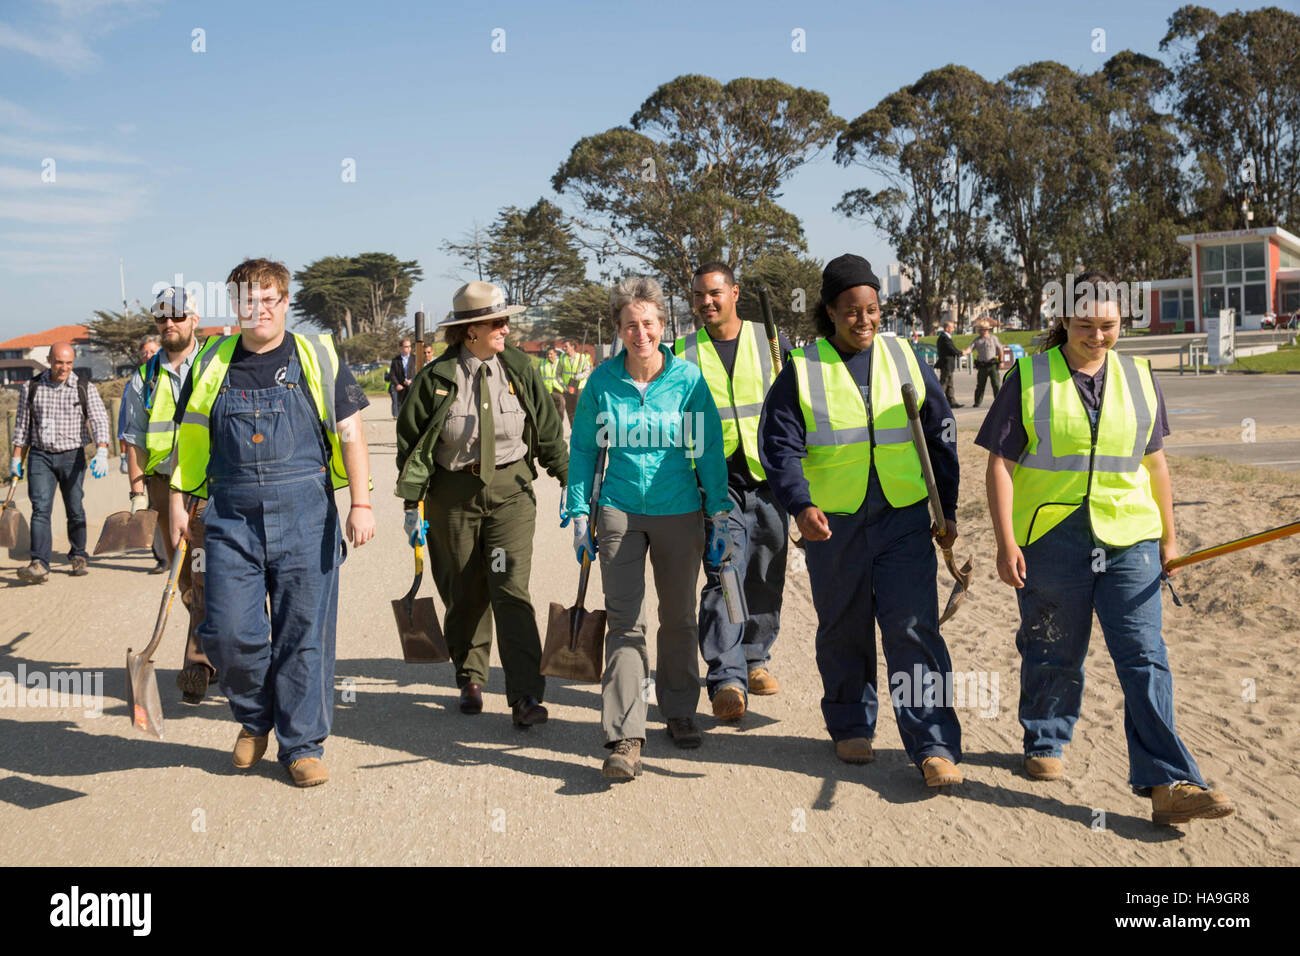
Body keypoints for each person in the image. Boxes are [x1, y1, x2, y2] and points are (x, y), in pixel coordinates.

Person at [976, 270, 1234, 825]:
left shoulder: (1140, 376)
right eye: (1087, 325)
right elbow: (1001, 462)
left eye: (1110, 326)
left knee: (1145, 656)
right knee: (1052, 647)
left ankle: (1167, 783)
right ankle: (1045, 739)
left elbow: (1154, 461)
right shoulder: (1029, 376)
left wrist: (1168, 537)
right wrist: (1005, 541)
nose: (1098, 336)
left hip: (1129, 537)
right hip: (1051, 534)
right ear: (1064, 319)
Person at [758, 254, 964, 787]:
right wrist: (801, 506)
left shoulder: (905, 356)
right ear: (829, 312)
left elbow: (940, 432)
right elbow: (779, 449)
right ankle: (851, 723)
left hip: (904, 518)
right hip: (835, 524)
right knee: (844, 627)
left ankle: (934, 743)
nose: (865, 320)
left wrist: (948, 509)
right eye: (852, 311)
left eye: (872, 309)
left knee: (914, 628)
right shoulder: (801, 370)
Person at [169, 258, 375, 787]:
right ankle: (255, 718)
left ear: (285, 303)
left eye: (268, 299)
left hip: (307, 511)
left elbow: (351, 433)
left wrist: (361, 502)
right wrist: (179, 497)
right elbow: (190, 435)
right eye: (246, 301)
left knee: (303, 635)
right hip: (230, 515)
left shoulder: (318, 356)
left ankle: (302, 745)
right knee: (229, 631)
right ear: (234, 307)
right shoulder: (212, 361)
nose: (257, 309)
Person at [567, 276, 731, 779]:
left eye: (649, 323)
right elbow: (584, 451)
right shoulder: (601, 382)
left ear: (664, 325)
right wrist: (578, 513)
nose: (640, 334)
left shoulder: (687, 380)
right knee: (625, 622)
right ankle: (624, 735)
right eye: (630, 325)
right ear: (618, 330)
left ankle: (679, 711)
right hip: (618, 510)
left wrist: (719, 511)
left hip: (679, 510)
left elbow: (707, 449)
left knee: (679, 616)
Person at [395, 281, 568, 727]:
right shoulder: (434, 379)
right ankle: (470, 674)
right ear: (470, 330)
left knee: (509, 588)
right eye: (497, 322)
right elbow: (410, 446)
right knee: (464, 590)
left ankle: (526, 694)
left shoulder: (520, 369)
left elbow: (548, 431)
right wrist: (411, 507)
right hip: (452, 496)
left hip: (510, 493)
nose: (506, 329)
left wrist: (572, 483)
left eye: (505, 320)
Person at [675, 261, 791, 721]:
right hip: (716, 486)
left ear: (735, 293)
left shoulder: (772, 342)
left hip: (770, 482)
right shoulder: (682, 352)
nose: (707, 301)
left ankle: (756, 657)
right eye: (699, 295)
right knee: (725, 576)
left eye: (715, 293)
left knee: (765, 572)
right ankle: (726, 677)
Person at [120, 287, 218, 703]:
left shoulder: (218, 364)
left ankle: (200, 661)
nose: (169, 324)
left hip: (211, 486)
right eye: (162, 318)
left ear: (194, 319)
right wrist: (138, 492)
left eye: (177, 317)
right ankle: (213, 646)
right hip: (164, 489)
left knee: (209, 570)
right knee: (185, 577)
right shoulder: (143, 379)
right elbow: (132, 439)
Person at [10, 342, 111, 584]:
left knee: (75, 508)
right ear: (48, 359)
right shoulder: (32, 387)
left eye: (68, 363)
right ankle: (39, 563)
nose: (63, 368)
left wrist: (102, 451)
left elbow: (98, 419)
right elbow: (22, 426)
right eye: (59, 362)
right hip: (40, 455)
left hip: (72, 456)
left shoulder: (83, 387)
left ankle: (78, 555)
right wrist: (16, 457)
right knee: (40, 509)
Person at [963, 323, 1003, 407]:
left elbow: (1000, 349)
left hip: (992, 365)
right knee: (980, 385)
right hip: (982, 366)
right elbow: (970, 348)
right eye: (980, 329)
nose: (979, 331)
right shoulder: (977, 340)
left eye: (981, 329)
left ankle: (999, 402)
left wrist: (1001, 361)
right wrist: (964, 352)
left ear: (986, 330)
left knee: (996, 384)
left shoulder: (993, 338)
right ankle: (977, 402)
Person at [557, 339, 593, 425]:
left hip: (579, 387)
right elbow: (558, 373)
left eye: (566, 346)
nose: (564, 348)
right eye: (563, 346)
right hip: (568, 388)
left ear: (572, 347)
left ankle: (582, 427)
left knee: (579, 409)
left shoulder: (581, 358)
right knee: (570, 410)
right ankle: (573, 428)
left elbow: (587, 371)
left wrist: (578, 376)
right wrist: (562, 384)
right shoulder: (562, 358)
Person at [935, 320, 964, 408]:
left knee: (950, 384)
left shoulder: (946, 337)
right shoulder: (944, 338)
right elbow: (951, 349)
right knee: (944, 383)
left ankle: (951, 402)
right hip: (946, 364)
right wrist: (961, 353)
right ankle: (936, 402)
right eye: (952, 327)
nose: (953, 329)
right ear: (947, 328)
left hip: (949, 364)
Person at [539, 345, 566, 423]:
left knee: (560, 408)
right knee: (548, 410)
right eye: (548, 354)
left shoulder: (560, 362)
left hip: (558, 389)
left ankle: (559, 424)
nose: (549, 356)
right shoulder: (542, 363)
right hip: (546, 390)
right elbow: (538, 376)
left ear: (555, 354)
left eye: (551, 354)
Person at [388, 337, 415, 418]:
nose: (409, 348)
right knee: (400, 405)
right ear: (401, 348)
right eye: (406, 346)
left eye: (410, 346)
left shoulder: (415, 358)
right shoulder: (395, 360)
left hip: (412, 386)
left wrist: (412, 381)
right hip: (401, 387)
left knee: (412, 405)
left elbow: (419, 372)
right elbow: (392, 374)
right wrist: (397, 384)